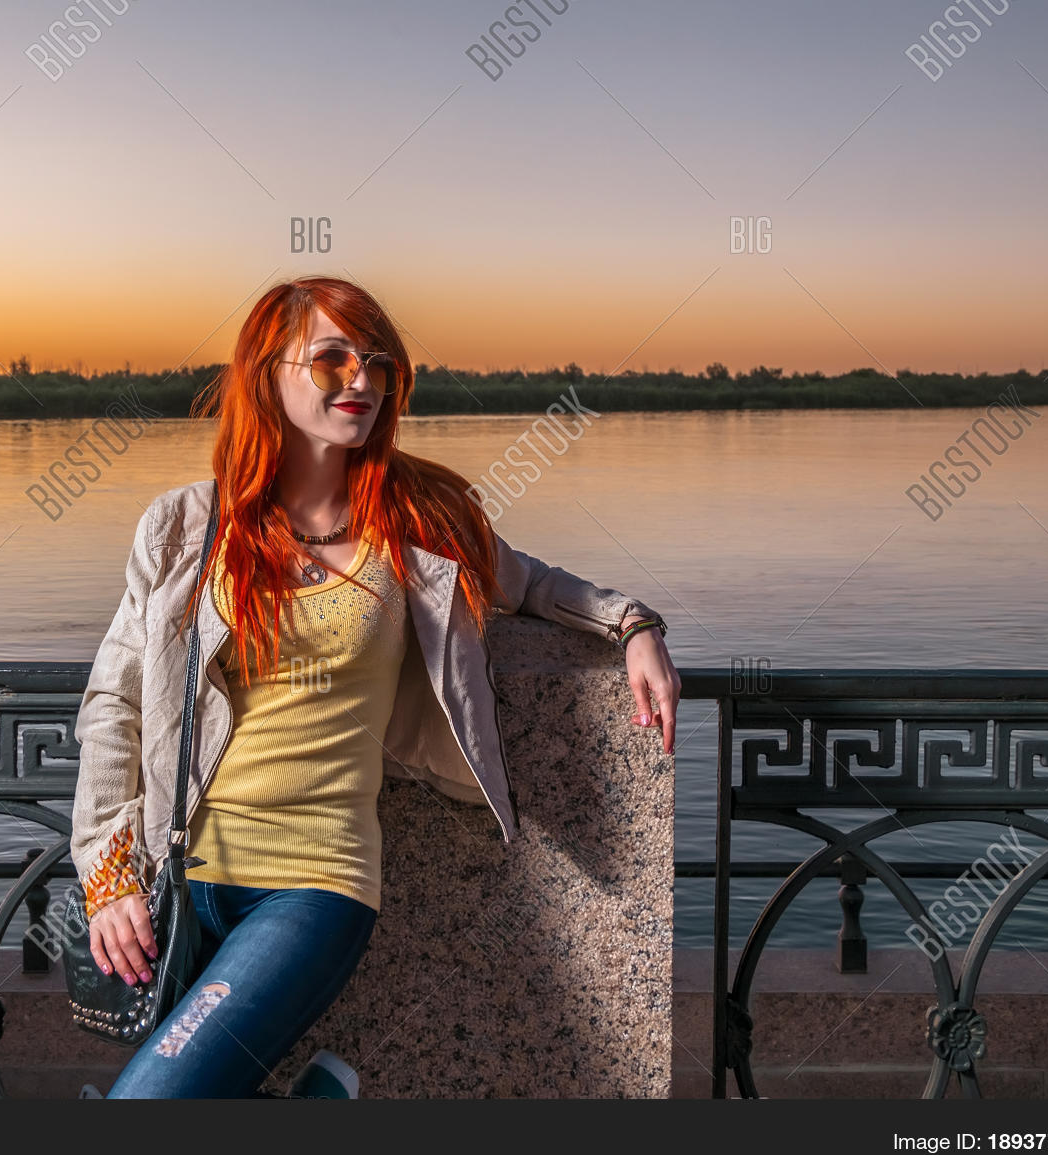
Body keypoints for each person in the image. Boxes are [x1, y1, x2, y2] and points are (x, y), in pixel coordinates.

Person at [69, 275, 680, 1099]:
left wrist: (634, 627)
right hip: (177, 878)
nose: (360, 379)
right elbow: (115, 701)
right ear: (266, 375)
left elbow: (536, 585)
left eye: (377, 365)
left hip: (314, 884)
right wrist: (105, 878)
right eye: (330, 361)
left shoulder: (420, 519)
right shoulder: (183, 526)